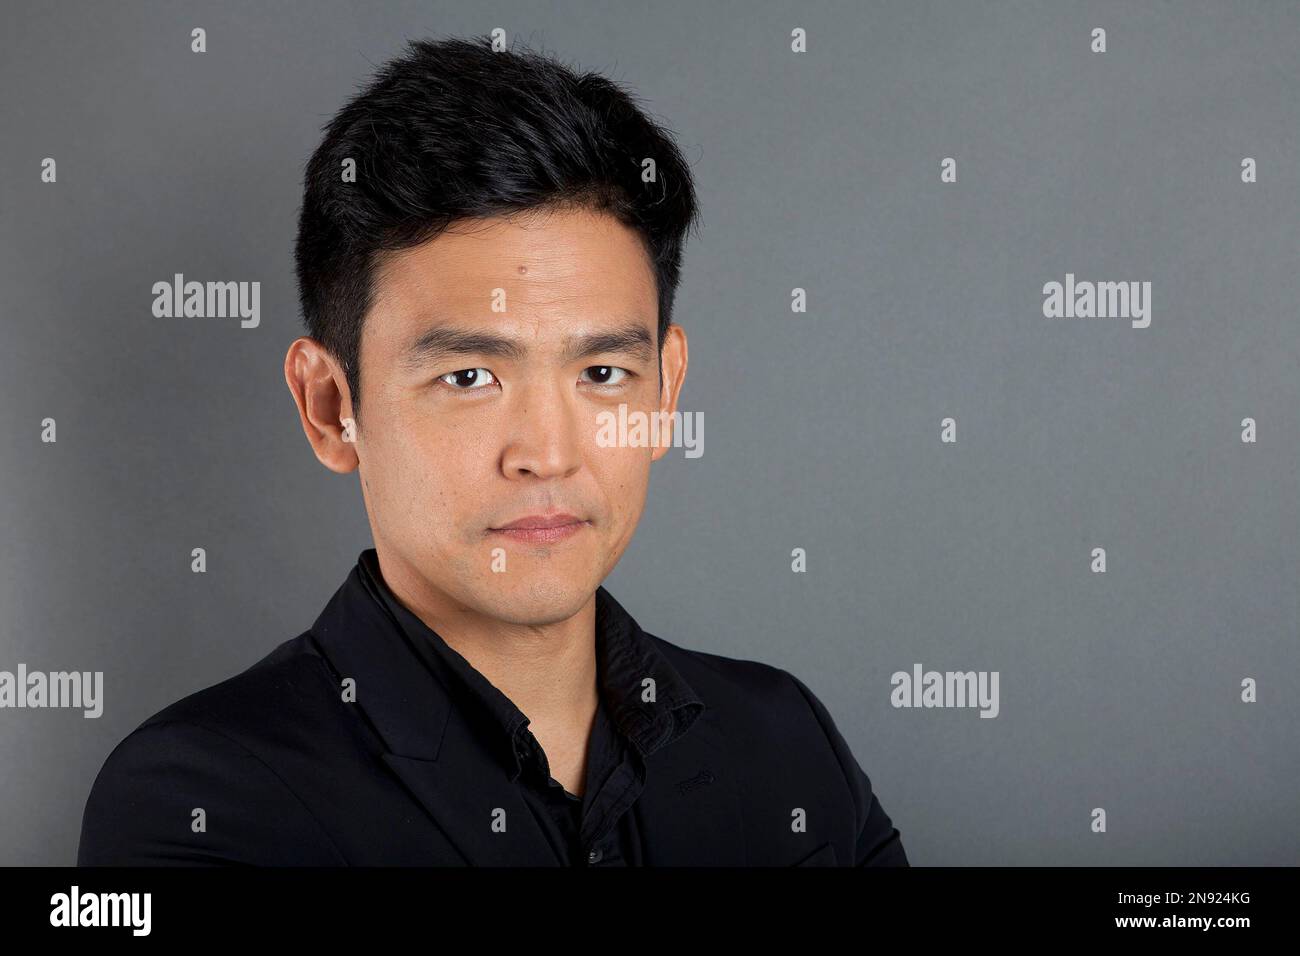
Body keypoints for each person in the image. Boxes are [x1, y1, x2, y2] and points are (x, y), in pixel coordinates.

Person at [76, 35, 907, 867]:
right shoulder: (202, 800)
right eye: (470, 375)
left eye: (604, 371)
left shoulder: (785, 742)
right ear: (330, 408)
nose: (547, 454)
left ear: (665, 393)